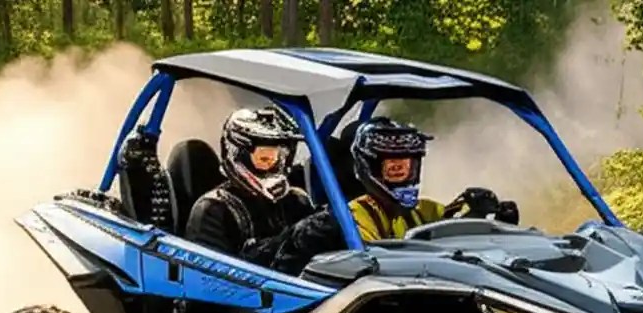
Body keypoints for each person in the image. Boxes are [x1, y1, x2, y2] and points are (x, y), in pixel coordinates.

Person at [346, 117, 518, 241]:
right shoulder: (355, 215)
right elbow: (376, 263)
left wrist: (486, 217)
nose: (404, 174)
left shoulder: (421, 210)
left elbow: (450, 225)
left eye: (407, 166)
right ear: (370, 168)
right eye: (394, 168)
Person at [184, 106, 314, 263]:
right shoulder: (214, 210)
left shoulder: (296, 200)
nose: (275, 166)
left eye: (281, 157)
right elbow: (212, 278)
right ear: (238, 154)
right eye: (265, 158)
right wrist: (297, 236)